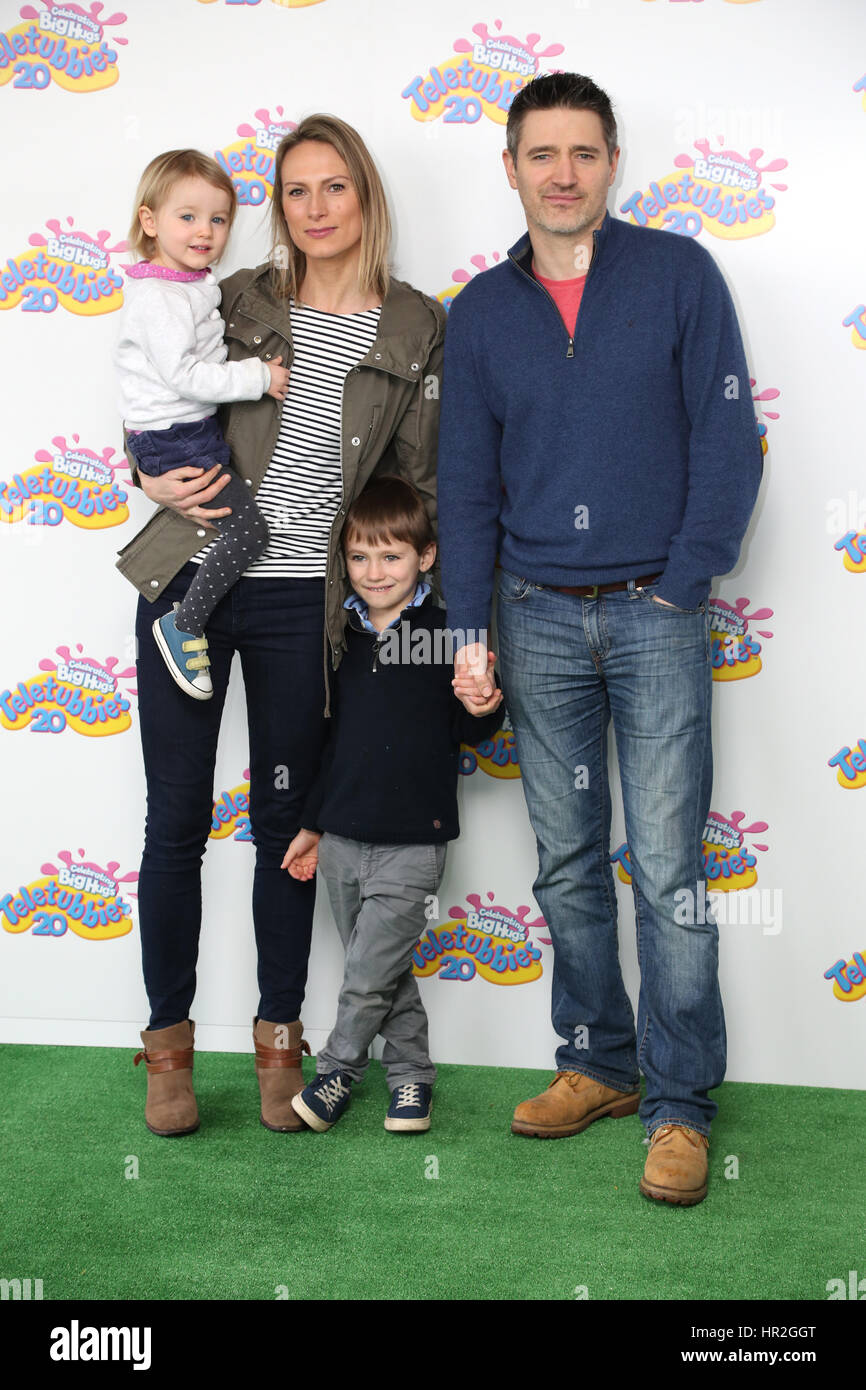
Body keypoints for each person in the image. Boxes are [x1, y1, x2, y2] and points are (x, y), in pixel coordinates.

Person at [437, 73, 763, 1205]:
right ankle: (595, 1062)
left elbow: (729, 440)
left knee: (669, 870)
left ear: (612, 162)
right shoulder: (480, 310)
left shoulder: (676, 276)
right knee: (567, 862)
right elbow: (466, 482)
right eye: (541, 154)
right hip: (528, 617)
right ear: (512, 167)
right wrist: (465, 630)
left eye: (582, 152)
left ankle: (677, 1105)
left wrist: (679, 586)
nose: (561, 173)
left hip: (652, 615)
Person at [118, 115, 446, 1138]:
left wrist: (429, 626)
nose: (314, 209)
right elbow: (155, 377)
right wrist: (137, 468)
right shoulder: (236, 295)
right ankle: (165, 1047)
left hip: (310, 604)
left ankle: (278, 1038)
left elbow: (418, 480)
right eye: (294, 191)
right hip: (194, 579)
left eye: (334, 187)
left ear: (366, 197)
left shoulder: (414, 324)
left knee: (282, 834)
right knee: (174, 822)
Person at [281, 476, 502, 1134]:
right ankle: (411, 1079)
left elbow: (474, 730)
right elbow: (331, 746)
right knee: (381, 967)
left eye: (392, 555)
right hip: (343, 838)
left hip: (413, 840)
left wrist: (484, 705)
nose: (374, 571)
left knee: (370, 971)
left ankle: (336, 1072)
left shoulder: (444, 635)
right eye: (359, 556)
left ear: (425, 557)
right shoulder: (340, 638)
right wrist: (312, 826)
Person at [117, 149, 291, 700]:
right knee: (248, 531)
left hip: (178, 434)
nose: (205, 231)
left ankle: (186, 620)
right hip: (178, 438)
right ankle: (183, 623)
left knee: (235, 527)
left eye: (218, 219)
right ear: (150, 222)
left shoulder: (187, 285)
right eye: (187, 217)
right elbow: (187, 376)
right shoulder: (161, 297)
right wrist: (258, 378)